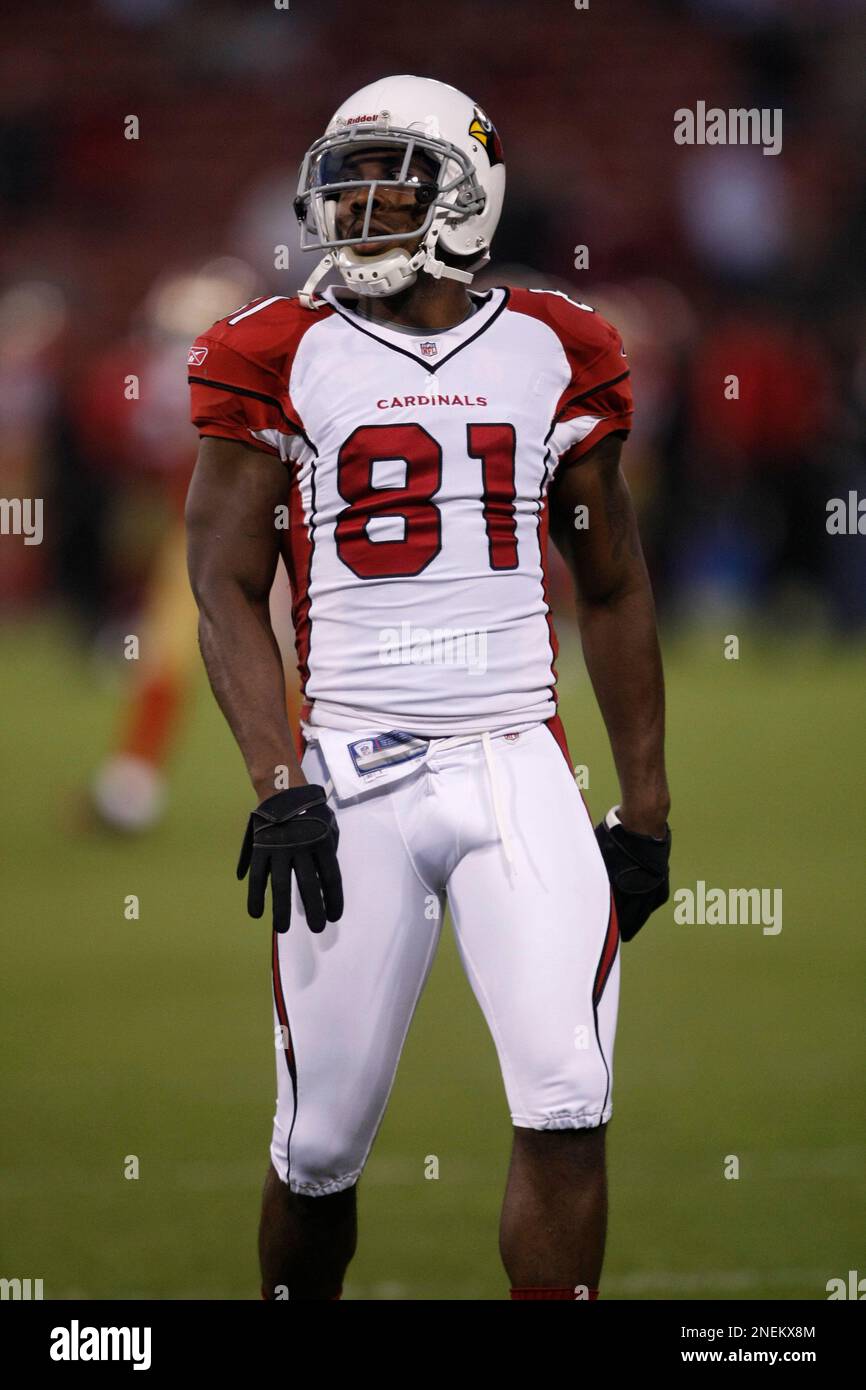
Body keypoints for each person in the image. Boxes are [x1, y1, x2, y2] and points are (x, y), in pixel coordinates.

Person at [185, 75, 671, 1302]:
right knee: (317, 1149)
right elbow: (222, 586)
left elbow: (609, 581)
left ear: (465, 193)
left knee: (567, 1097)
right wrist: (276, 779)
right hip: (349, 773)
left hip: (516, 758)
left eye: (382, 189)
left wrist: (646, 810)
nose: (351, 217)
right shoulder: (273, 350)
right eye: (339, 192)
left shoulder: (559, 346)